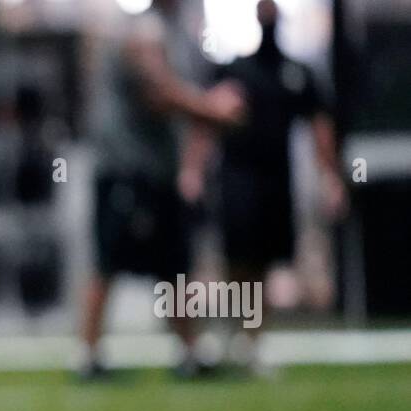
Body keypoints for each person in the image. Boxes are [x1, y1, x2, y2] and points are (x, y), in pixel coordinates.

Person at [80, 0, 246, 380]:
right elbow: (158, 92)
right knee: (108, 261)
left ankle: (189, 353)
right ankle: (87, 355)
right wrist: (214, 109)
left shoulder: (176, 30)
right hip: (126, 168)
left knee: (174, 266)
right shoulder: (141, 29)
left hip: (157, 172)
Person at [180, 0, 347, 376]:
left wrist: (331, 177)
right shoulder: (234, 70)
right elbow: (205, 121)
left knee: (266, 260)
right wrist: (192, 169)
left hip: (277, 179)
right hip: (236, 176)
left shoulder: (296, 73)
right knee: (237, 257)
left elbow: (320, 125)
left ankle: (251, 340)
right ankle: (233, 327)